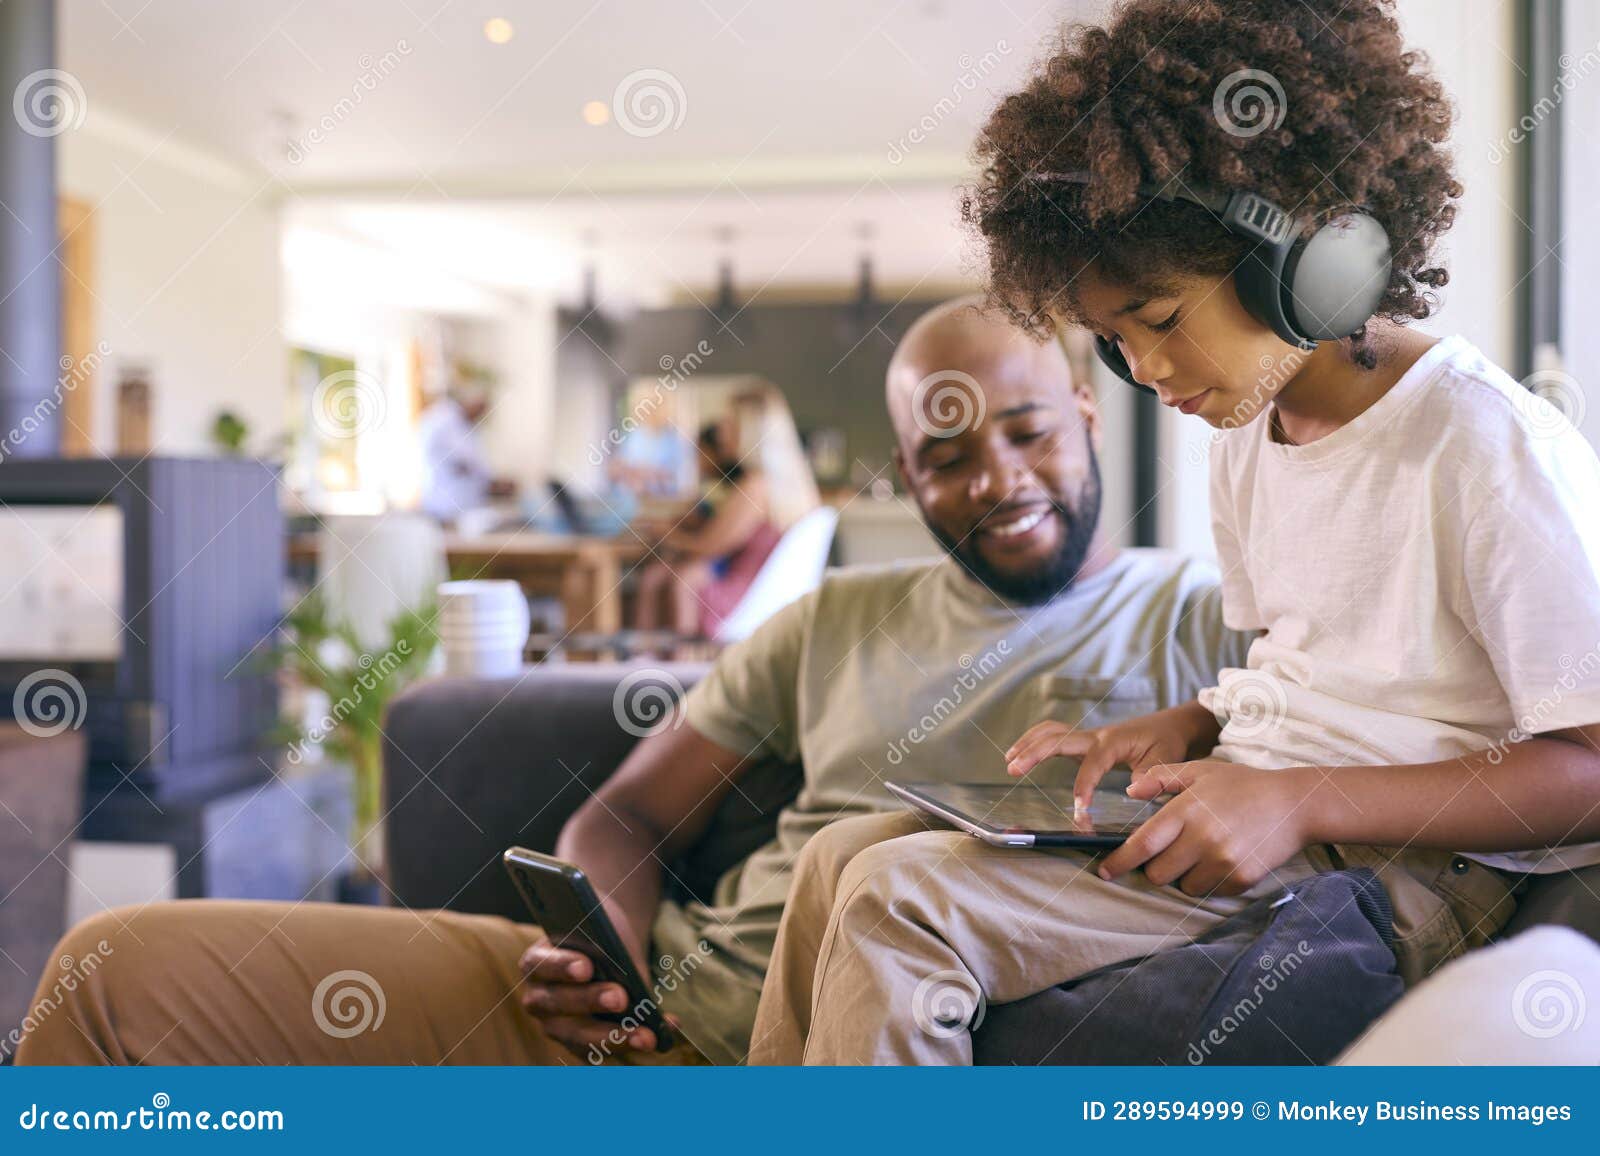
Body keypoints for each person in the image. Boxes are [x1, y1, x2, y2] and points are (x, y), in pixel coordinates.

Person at [16, 300, 1248, 1067]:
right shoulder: (835, 618)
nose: (996, 477)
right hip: (625, 1026)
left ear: (1086, 412)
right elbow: (628, 813)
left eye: (1026, 429)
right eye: (946, 453)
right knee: (110, 970)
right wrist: (603, 954)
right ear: (906, 477)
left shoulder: (1204, 617)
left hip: (835, 1057)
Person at [750, 0, 1600, 1065]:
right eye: (1113, 341)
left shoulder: (1482, 444)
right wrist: (1184, 724)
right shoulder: (1249, 427)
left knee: (895, 901)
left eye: (1157, 320)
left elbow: (1588, 762)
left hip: (1400, 874)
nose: (1146, 371)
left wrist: (1294, 800)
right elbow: (1325, 673)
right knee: (839, 856)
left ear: (1303, 256)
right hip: (1287, 820)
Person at [632, 386, 820, 638]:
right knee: (672, 574)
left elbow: (708, 545)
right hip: (762, 593)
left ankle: (668, 665)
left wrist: (665, 533)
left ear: (751, 431)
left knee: (682, 577)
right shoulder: (786, 483)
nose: (720, 433)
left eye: (729, 423)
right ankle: (657, 662)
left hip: (742, 599)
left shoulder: (755, 486)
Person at [416, 388, 492, 523]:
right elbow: (434, 452)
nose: (480, 414)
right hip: (442, 504)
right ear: (469, 401)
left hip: (466, 504)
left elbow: (476, 463)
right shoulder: (441, 418)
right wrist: (460, 465)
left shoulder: (468, 426)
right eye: (479, 408)